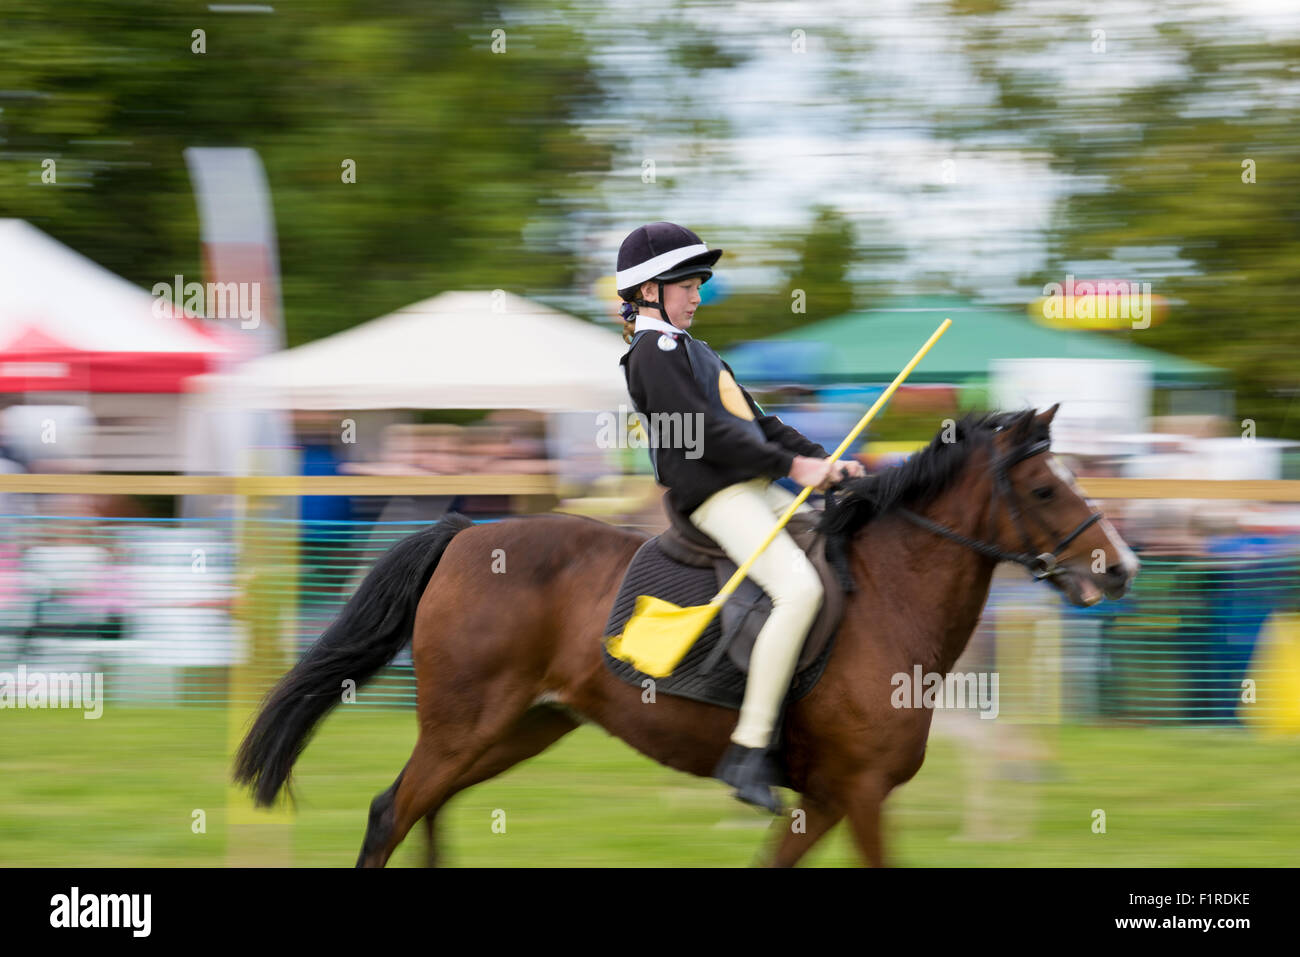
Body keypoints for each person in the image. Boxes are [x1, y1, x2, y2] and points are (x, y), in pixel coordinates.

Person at [615, 221, 864, 812]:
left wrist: (824, 462)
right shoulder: (652, 354)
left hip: (754, 487)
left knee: (847, 536)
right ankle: (749, 750)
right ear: (649, 290)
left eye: (699, 284)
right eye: (687, 285)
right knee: (798, 591)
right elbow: (709, 436)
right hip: (715, 497)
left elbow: (759, 424)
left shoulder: (696, 350)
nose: (697, 295)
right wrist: (792, 468)